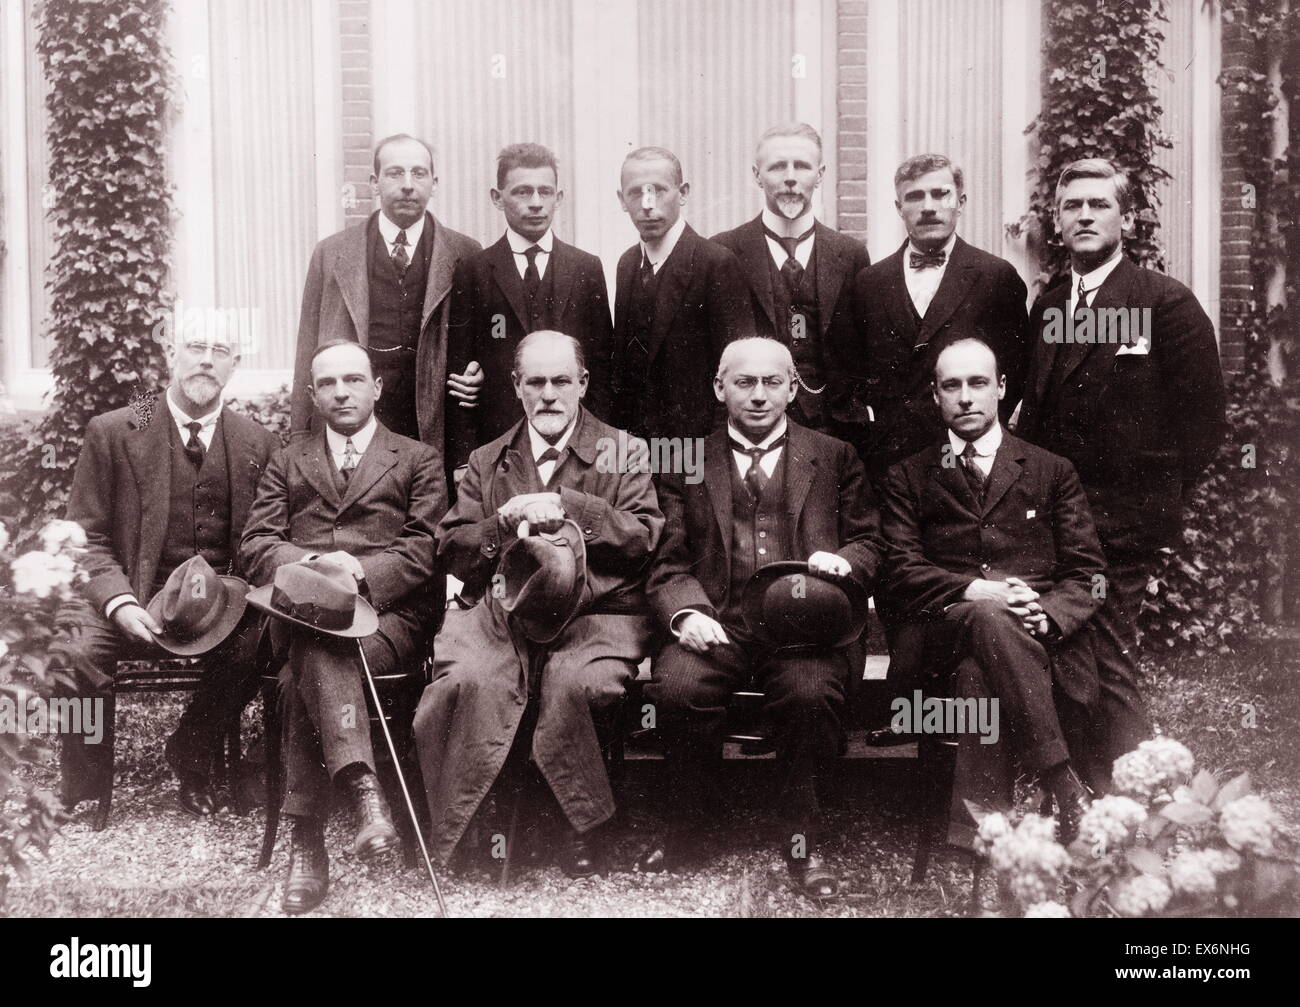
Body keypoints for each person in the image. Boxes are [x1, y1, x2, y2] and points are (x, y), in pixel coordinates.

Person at [639, 336, 881, 897]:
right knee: (676, 687)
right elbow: (665, 557)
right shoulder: (685, 461)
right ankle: (689, 828)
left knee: (809, 696)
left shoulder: (835, 455)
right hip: (718, 623)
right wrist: (686, 614)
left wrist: (842, 562)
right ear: (718, 388)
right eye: (744, 382)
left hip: (807, 633)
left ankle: (803, 842)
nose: (759, 395)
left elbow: (872, 541)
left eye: (773, 382)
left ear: (793, 388)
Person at [415, 330, 663, 876]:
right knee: (466, 680)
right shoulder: (487, 460)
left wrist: (570, 505)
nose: (549, 395)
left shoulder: (625, 450)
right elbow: (452, 550)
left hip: (597, 613)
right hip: (505, 612)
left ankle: (579, 819)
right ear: (516, 387)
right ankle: (474, 818)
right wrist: (500, 522)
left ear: (583, 385)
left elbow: (645, 536)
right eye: (535, 383)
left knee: (574, 683)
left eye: (561, 382)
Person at [1017, 157, 1227, 789]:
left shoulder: (1165, 304)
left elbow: (1204, 426)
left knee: (1108, 653)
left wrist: (1148, 501)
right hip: (1056, 522)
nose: (1084, 215)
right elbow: (1039, 412)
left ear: (1126, 219)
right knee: (1069, 650)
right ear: (1056, 222)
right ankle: (1083, 784)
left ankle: (1131, 795)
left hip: (1122, 523)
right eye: (1071, 206)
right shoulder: (1050, 305)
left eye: (1098, 204)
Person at [240, 340, 443, 914]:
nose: (341, 392)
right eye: (328, 384)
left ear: (377, 387)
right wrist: (307, 570)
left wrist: (356, 571)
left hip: (386, 618)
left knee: (297, 678)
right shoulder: (289, 457)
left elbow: (427, 547)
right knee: (316, 637)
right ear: (312, 395)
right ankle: (364, 790)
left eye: (354, 380)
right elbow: (255, 543)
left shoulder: (416, 457)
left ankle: (308, 844)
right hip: (302, 610)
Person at [880, 332, 1107, 844]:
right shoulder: (908, 475)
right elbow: (899, 570)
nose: (965, 397)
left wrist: (1045, 613)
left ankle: (982, 836)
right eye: (951, 386)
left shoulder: (1051, 471)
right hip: (940, 636)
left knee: (977, 675)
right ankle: (1062, 782)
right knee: (984, 616)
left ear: (1001, 388)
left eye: (977, 383)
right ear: (935, 396)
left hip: (1039, 640)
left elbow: (1088, 573)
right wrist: (977, 592)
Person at [62, 331, 278, 820]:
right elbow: (86, 539)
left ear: (234, 365)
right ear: (169, 355)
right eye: (194, 348)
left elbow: (265, 538)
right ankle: (87, 782)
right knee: (77, 651)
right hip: (135, 592)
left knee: (264, 642)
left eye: (219, 351)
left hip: (220, 606)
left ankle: (192, 751)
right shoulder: (117, 427)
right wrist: (118, 602)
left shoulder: (256, 440)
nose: (205, 361)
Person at [290, 133, 482, 469]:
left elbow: (482, 346)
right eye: (395, 173)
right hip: (354, 424)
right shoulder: (332, 254)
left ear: (434, 183)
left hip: (434, 428)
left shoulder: (465, 253)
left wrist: (482, 371)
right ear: (374, 182)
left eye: (419, 173)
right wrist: (300, 440)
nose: (408, 185)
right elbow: (307, 351)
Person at [838, 153, 1029, 482]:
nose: (928, 206)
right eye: (914, 196)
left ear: (961, 201)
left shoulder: (997, 277)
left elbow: (1017, 372)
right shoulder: (868, 283)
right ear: (899, 208)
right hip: (887, 466)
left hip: (969, 465)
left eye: (940, 194)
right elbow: (843, 370)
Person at [445, 143, 613, 469]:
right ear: (497, 197)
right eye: (522, 192)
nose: (536, 203)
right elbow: (461, 379)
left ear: (559, 198)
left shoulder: (586, 268)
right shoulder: (474, 270)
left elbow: (602, 371)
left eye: (545, 192)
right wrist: (464, 462)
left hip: (576, 447)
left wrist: (601, 453)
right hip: (499, 447)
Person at [712, 123, 870, 437]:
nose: (790, 177)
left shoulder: (851, 255)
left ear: (820, 174)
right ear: (757, 175)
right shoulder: (723, 252)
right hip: (748, 427)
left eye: (802, 166)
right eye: (777, 166)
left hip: (832, 430)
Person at [609, 146, 754, 441]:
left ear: (683, 193)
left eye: (659, 191)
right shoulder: (627, 264)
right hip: (638, 446)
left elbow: (738, 369)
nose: (648, 205)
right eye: (636, 193)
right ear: (622, 200)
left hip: (697, 444)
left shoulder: (715, 262)